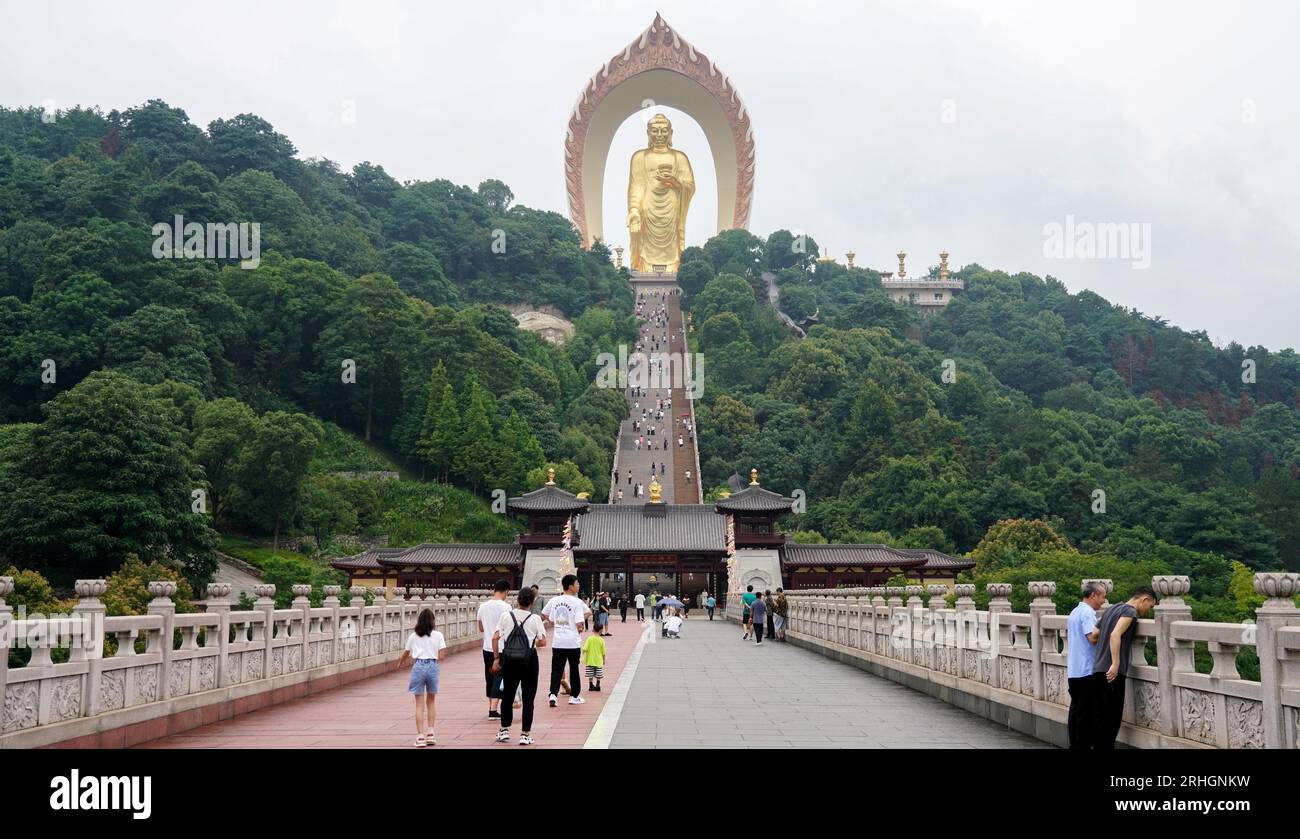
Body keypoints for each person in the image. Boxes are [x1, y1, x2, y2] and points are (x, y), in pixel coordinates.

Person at [1091, 586, 1158, 749]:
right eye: (1150, 606)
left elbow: (1094, 634)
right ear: (1144, 599)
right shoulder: (1130, 612)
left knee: (1100, 715)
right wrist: (1115, 664)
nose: (1148, 611)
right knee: (1111, 718)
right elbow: (1115, 635)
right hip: (1112, 672)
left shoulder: (1112, 609)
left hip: (1098, 668)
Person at [491, 587, 546, 746]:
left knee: (508, 695)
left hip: (508, 659)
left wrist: (496, 658)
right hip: (529, 659)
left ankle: (504, 730)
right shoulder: (535, 618)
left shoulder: (506, 616)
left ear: (517, 600)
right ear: (532, 601)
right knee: (529, 697)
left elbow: (495, 638)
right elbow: (543, 642)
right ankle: (525, 734)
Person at [397, 608, 447, 747]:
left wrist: (400, 663)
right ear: (433, 621)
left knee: (419, 704)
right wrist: (431, 657)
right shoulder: (438, 635)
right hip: (432, 666)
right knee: (431, 701)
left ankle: (420, 737)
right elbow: (442, 656)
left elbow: (406, 652)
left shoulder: (414, 636)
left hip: (418, 666)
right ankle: (430, 733)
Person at [1067, 582, 1106, 748]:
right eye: (1103, 597)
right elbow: (1092, 638)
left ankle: (1074, 745)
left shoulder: (1075, 611)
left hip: (1074, 671)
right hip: (1086, 671)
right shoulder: (1087, 613)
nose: (1104, 601)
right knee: (1086, 716)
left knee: (1076, 713)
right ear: (1093, 595)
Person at [543, 574, 592, 708]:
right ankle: (574, 696)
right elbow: (586, 615)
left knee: (556, 669)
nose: (578, 586)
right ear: (570, 586)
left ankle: (553, 694)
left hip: (558, 641)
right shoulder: (577, 602)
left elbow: (544, 613)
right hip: (572, 641)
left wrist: (554, 622)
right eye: (577, 584)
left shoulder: (555, 600)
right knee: (574, 669)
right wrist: (580, 625)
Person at [476, 579, 513, 720]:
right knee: (500, 676)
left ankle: (491, 706)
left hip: (487, 647)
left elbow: (480, 628)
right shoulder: (506, 607)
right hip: (502, 647)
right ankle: (493, 709)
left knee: (490, 675)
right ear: (506, 592)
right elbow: (509, 628)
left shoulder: (483, 607)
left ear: (494, 590)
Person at [581, 626, 606, 692]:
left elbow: (585, 649)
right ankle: (598, 684)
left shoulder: (589, 639)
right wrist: (604, 660)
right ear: (601, 630)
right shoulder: (601, 640)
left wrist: (581, 654)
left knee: (590, 674)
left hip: (590, 660)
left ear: (593, 629)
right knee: (598, 673)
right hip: (598, 660)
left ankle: (590, 685)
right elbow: (603, 652)